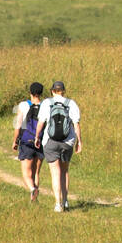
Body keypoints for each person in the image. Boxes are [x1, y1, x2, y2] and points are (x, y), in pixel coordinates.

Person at [34, 80, 82, 213]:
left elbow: (41, 123)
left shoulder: (47, 103)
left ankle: (57, 204)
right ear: (63, 91)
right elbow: (76, 125)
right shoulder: (71, 103)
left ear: (52, 90)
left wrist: (37, 137)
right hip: (67, 142)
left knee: (55, 173)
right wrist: (79, 142)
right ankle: (66, 201)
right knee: (64, 171)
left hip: (50, 141)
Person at [12, 82, 45, 202]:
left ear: (30, 92)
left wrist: (15, 141)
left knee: (26, 173)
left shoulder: (23, 105)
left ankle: (32, 189)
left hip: (26, 141)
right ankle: (35, 198)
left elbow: (18, 125)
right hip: (40, 142)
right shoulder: (45, 106)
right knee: (36, 172)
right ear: (41, 93)